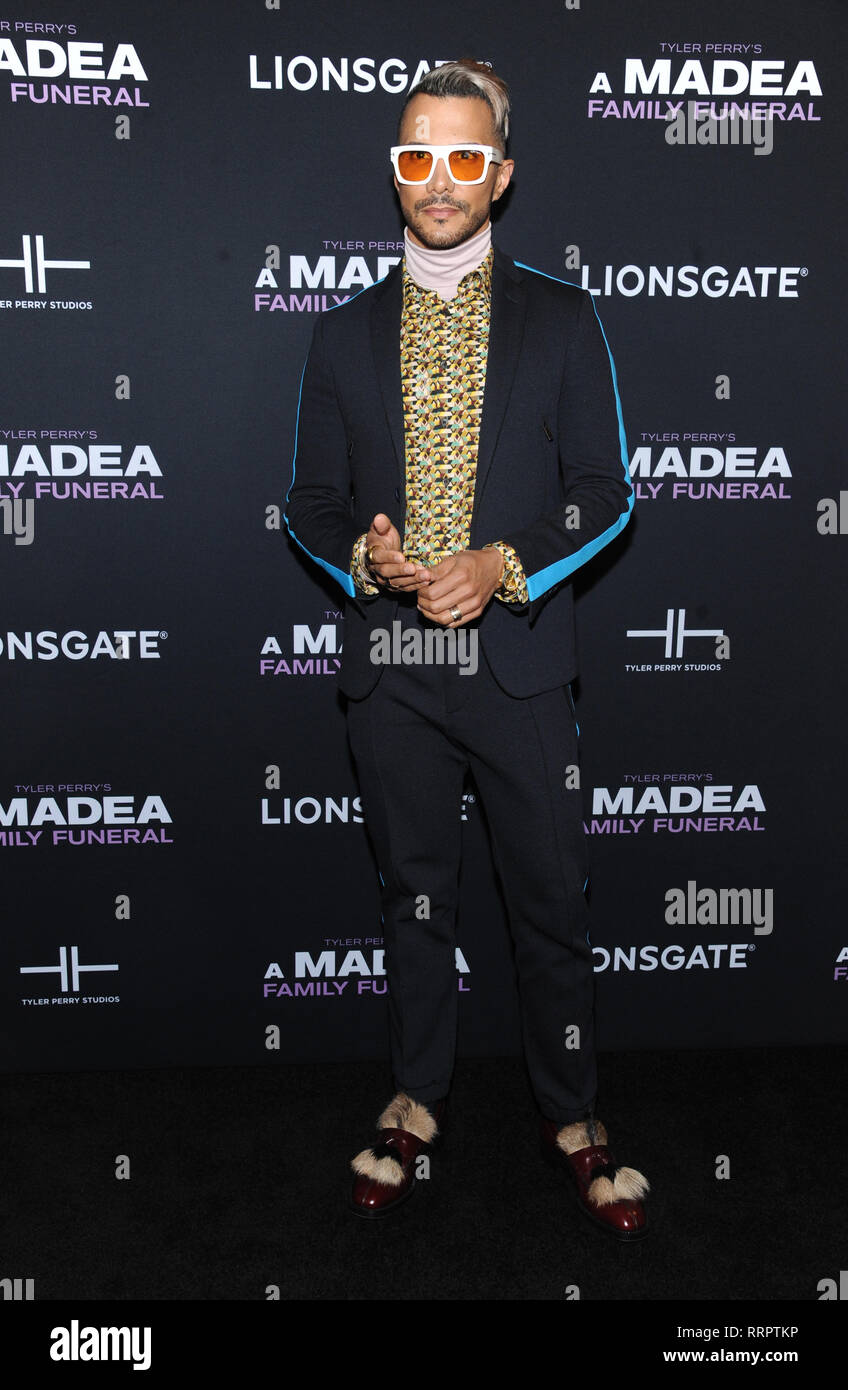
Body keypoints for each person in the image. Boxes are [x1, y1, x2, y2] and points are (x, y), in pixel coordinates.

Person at [285, 58, 649, 1239]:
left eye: (460, 158)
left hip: (521, 665)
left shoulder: (561, 315)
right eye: (413, 157)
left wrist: (503, 562)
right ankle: (415, 1095)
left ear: (497, 174)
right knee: (414, 901)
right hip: (393, 670)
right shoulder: (340, 335)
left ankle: (576, 1112)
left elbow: (607, 489)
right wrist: (365, 556)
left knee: (547, 902)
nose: (435, 182)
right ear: (394, 172)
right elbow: (310, 500)